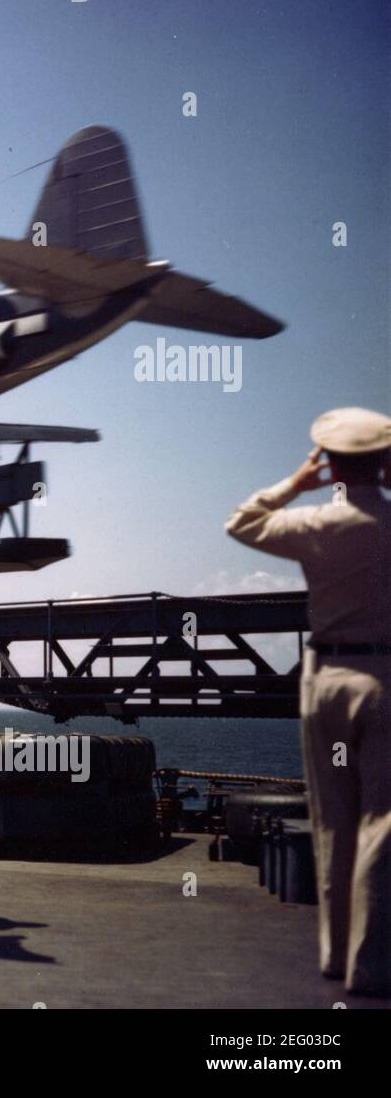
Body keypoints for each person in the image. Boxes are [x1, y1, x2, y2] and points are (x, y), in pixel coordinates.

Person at [225, 406, 391, 998]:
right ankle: (371, 963)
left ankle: (335, 953)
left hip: (326, 680)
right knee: (382, 822)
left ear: (331, 463)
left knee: (333, 819)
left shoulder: (317, 523)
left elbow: (242, 523)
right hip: (386, 679)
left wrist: (296, 484)